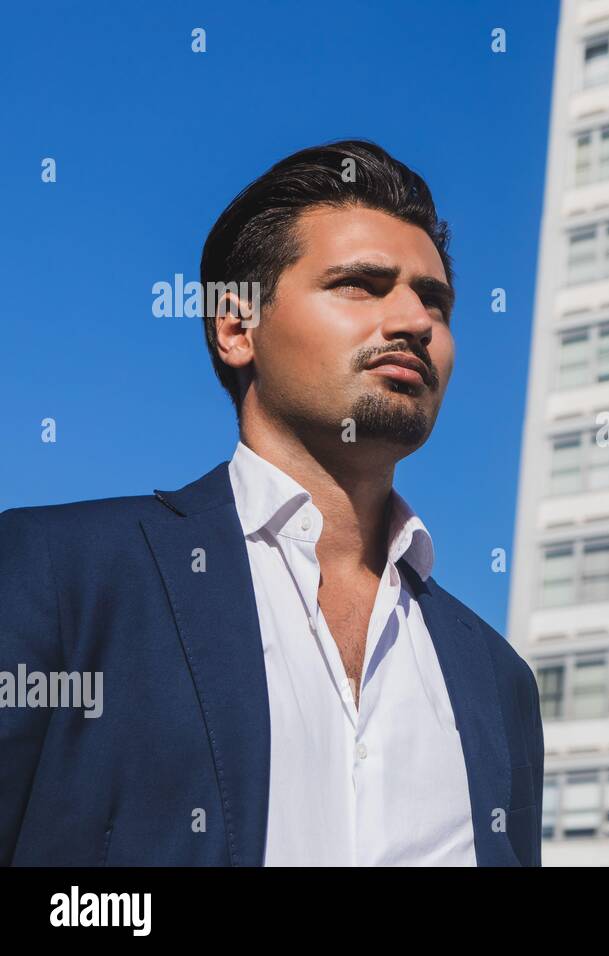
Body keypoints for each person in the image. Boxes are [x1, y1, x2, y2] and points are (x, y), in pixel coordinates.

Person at [0, 140, 542, 866]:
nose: (415, 319)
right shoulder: (63, 576)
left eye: (434, 299)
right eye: (361, 284)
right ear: (237, 326)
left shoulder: (499, 679)